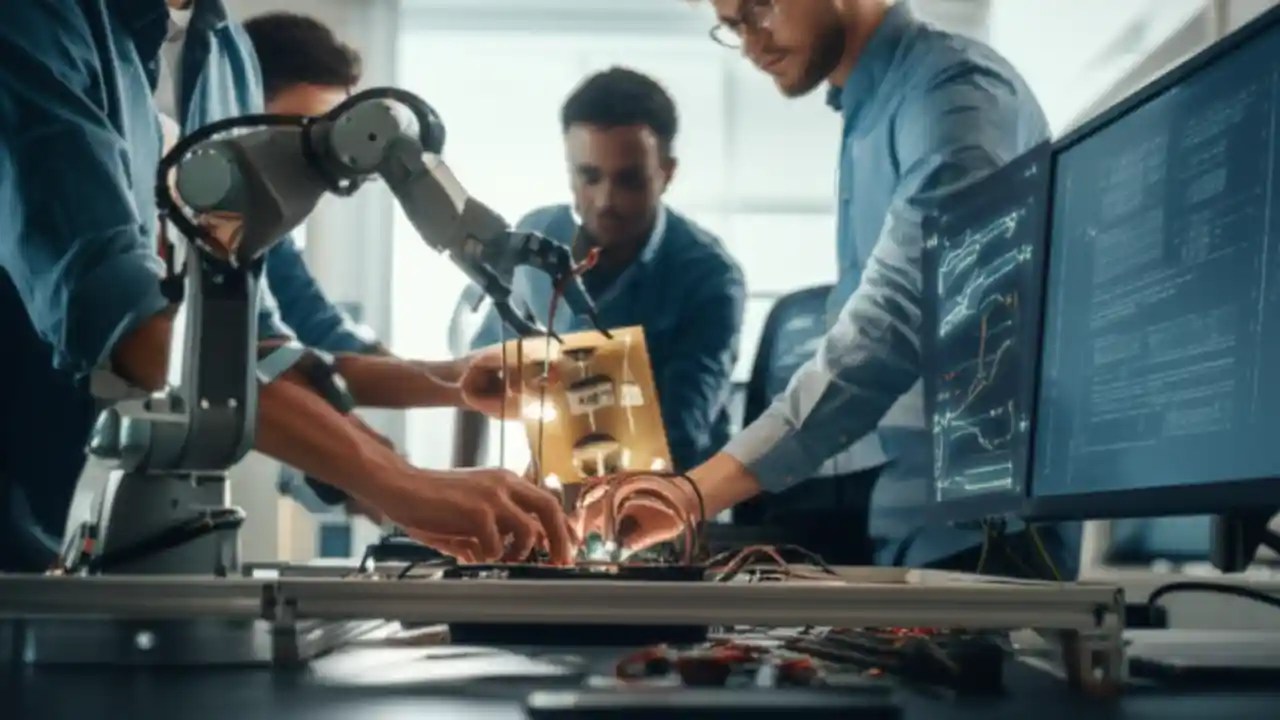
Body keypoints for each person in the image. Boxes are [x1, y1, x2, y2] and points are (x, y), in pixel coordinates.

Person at [0, 0, 572, 572]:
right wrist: (397, 481)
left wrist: (447, 382)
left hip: (119, 525)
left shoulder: (227, 55)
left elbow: (253, 346)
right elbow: (129, 325)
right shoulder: (36, 22)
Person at [575, 0, 1079, 577]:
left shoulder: (955, 97)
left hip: (986, 536)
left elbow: (890, 328)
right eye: (733, 25)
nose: (751, 44)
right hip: (901, 524)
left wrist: (693, 493)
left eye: (760, 8)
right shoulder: (868, 110)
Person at [465, 67, 746, 473]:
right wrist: (464, 487)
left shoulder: (711, 278)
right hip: (562, 480)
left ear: (667, 173)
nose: (605, 201)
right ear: (569, 168)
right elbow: (477, 372)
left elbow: (682, 436)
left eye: (629, 181)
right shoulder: (536, 239)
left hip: (670, 496)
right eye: (589, 176)